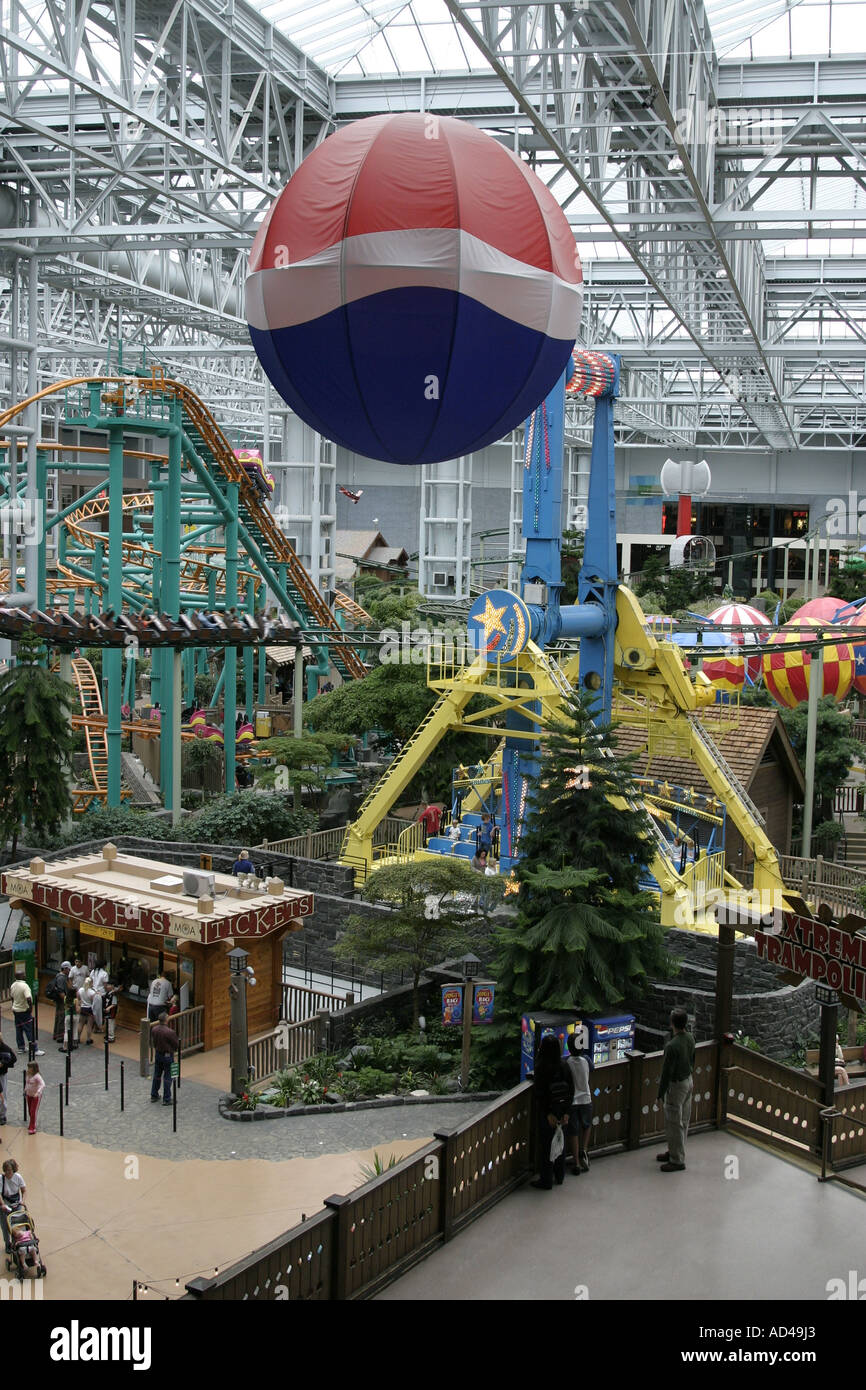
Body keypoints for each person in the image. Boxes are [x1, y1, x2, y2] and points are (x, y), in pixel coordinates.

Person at [531, 1034, 574, 1190]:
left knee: (546, 1146)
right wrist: (567, 1112)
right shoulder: (564, 1065)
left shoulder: (541, 1067)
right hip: (563, 1112)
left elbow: (540, 1093)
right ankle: (560, 1175)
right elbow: (571, 1089)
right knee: (560, 1144)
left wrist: (548, 1113)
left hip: (549, 1113)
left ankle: (546, 1179)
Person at [657, 1007, 695, 1172]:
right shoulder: (690, 1038)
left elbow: (666, 1072)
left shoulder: (672, 1046)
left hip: (677, 1085)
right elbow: (693, 1059)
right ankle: (675, 1150)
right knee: (683, 1120)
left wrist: (660, 1094)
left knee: (674, 1122)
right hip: (688, 1080)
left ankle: (677, 1160)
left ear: (672, 1023)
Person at [565, 1032, 593, 1174]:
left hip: (572, 1101)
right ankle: (585, 1149)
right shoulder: (586, 1060)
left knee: (573, 1131)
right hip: (586, 1098)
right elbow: (592, 1070)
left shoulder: (567, 1062)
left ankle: (576, 1162)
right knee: (587, 1125)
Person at [150, 1013, 180, 1106]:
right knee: (168, 1077)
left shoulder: (154, 1029)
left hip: (158, 1054)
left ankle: (154, 1095)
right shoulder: (170, 1032)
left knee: (157, 1075)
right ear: (166, 1020)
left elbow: (153, 1041)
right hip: (167, 1056)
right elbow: (176, 1044)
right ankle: (167, 1098)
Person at [10, 973, 40, 1055]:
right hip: (24, 1011)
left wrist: (13, 1005)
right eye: (23, 975)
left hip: (16, 1011)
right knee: (29, 1030)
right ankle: (34, 1049)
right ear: (20, 976)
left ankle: (21, 1047)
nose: (25, 975)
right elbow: (29, 998)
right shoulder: (25, 986)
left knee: (18, 1029)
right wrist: (30, 1008)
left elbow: (12, 997)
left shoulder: (13, 985)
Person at [0, 1160, 25, 1254]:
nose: (7, 1173)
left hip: (16, 1202)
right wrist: (2, 1204)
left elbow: (24, 1190)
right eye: (6, 1170)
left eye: (9, 1170)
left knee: (18, 1223)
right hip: (5, 1203)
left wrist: (22, 1201)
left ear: (13, 1170)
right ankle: (7, 1244)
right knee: (5, 1225)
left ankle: (19, 1241)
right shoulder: (1, 1179)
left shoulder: (18, 1177)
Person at [50, 962, 72, 1044]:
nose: (69, 971)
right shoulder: (61, 978)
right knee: (61, 1017)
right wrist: (66, 1001)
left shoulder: (59, 976)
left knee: (59, 1016)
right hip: (62, 1000)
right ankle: (60, 1035)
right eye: (69, 969)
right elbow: (61, 991)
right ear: (65, 969)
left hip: (60, 1000)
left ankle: (56, 1033)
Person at [0, 1033, 16, 1128]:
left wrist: (3, 1063)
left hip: (1, 1074)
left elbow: (13, 1059)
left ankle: (2, 1116)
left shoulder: (5, 1048)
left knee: (2, 1096)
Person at [24, 1063, 44, 1135]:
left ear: (34, 1068)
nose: (28, 1069)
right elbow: (27, 1083)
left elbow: (42, 1084)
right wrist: (25, 1090)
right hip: (29, 1095)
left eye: (30, 1068)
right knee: (30, 1110)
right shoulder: (28, 1075)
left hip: (35, 1096)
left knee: (33, 1111)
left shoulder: (37, 1076)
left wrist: (38, 1092)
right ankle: (31, 1124)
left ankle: (32, 1127)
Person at [77, 976, 97, 1045]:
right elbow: (94, 1002)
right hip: (89, 1009)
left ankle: (78, 1038)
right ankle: (88, 1039)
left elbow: (78, 999)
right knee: (89, 1025)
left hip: (82, 1008)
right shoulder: (92, 992)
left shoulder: (80, 990)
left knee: (80, 1023)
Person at [90, 960, 109, 1032]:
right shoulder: (104, 974)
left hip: (93, 993)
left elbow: (91, 983)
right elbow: (105, 986)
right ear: (104, 966)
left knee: (93, 1010)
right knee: (100, 1011)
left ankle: (93, 1026)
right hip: (101, 994)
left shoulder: (92, 972)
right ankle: (98, 1027)